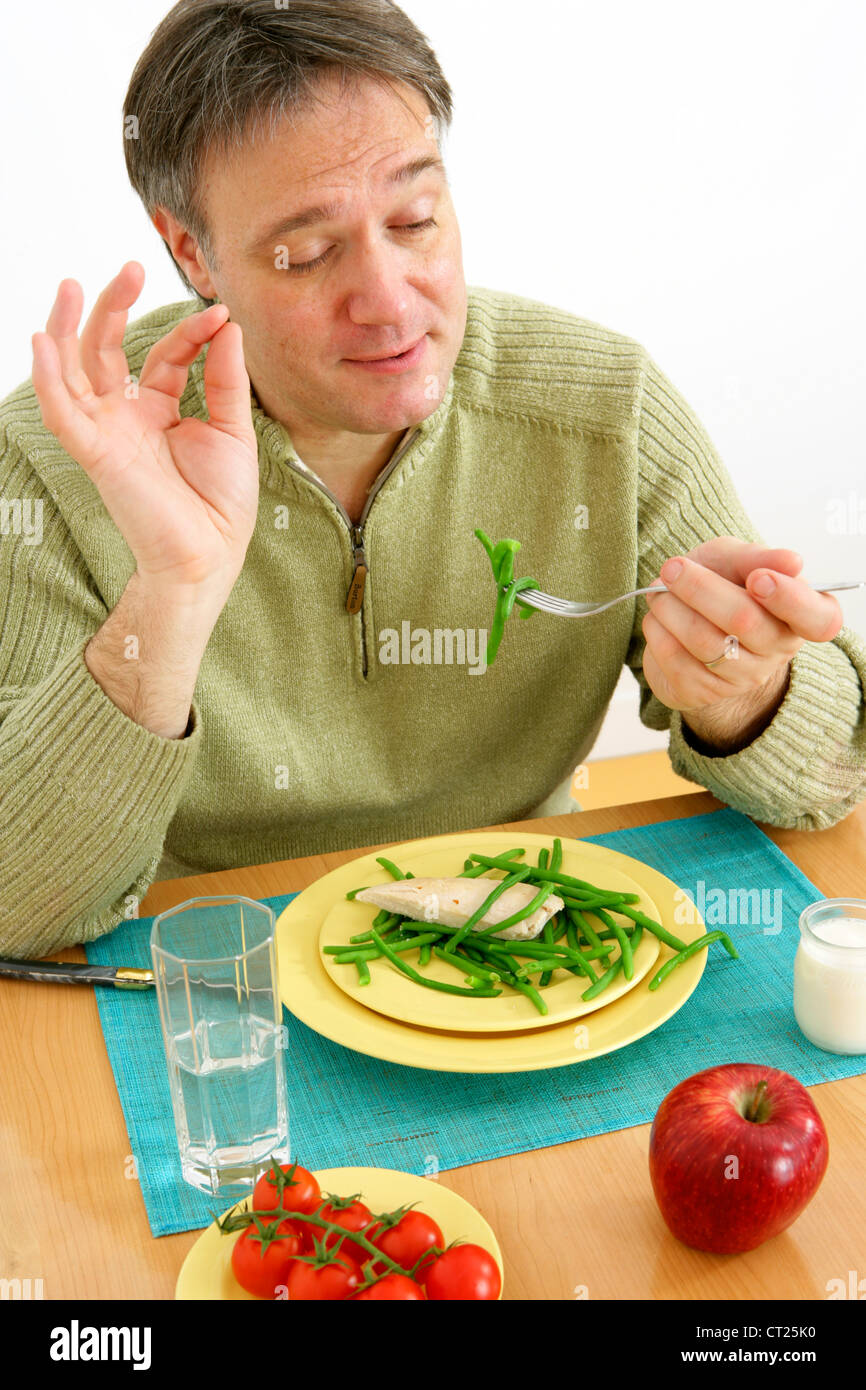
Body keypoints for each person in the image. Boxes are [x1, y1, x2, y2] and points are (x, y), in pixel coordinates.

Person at [2, 0, 864, 959]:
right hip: (215, 981)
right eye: (309, 252)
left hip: (527, 951)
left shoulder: (604, 409)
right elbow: (19, 905)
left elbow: (830, 785)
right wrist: (168, 596)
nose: (388, 298)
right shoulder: (56, 458)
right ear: (192, 252)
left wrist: (745, 695)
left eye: (415, 217)